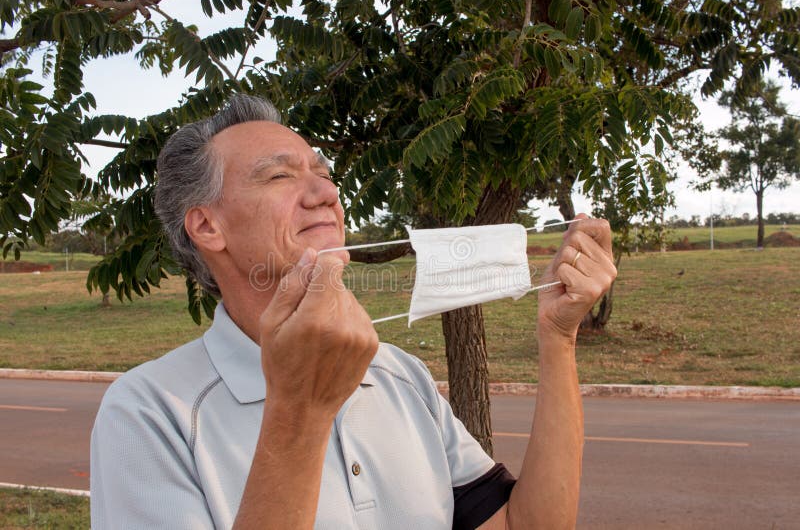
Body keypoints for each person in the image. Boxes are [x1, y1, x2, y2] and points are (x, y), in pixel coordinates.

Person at [90, 94, 617, 529]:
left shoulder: (401, 376)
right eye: (278, 177)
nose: (325, 193)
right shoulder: (148, 413)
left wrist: (558, 336)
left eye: (322, 172)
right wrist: (300, 409)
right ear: (207, 226)